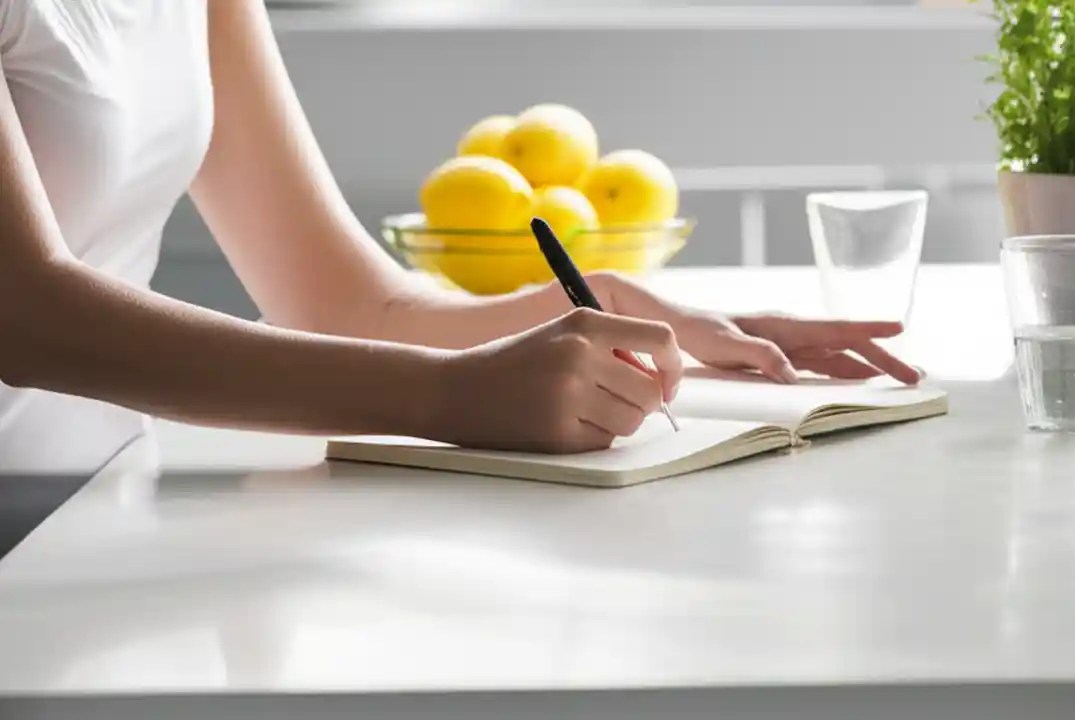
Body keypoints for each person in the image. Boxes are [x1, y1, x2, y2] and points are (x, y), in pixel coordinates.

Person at [0, 0, 920, 466]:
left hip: (107, 509)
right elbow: (25, 314)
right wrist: (447, 397)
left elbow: (348, 301)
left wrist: (619, 314)